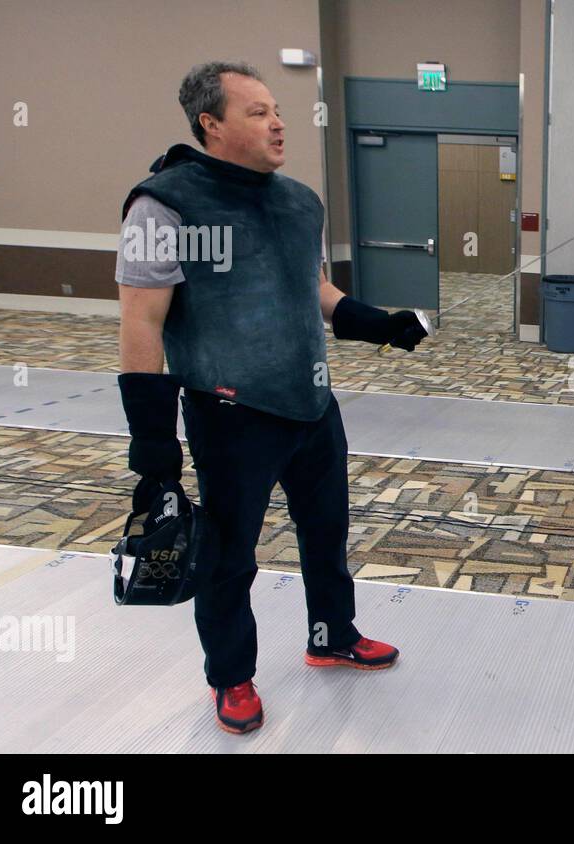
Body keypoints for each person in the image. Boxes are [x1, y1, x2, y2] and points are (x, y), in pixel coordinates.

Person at [115, 61, 432, 734]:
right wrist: (153, 451)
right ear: (212, 124)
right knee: (230, 558)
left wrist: (381, 324)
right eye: (257, 111)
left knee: (328, 535)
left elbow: (312, 291)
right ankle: (231, 676)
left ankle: (331, 634)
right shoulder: (163, 204)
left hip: (312, 406)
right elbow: (141, 322)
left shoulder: (299, 202)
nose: (279, 121)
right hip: (229, 416)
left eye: (277, 108)